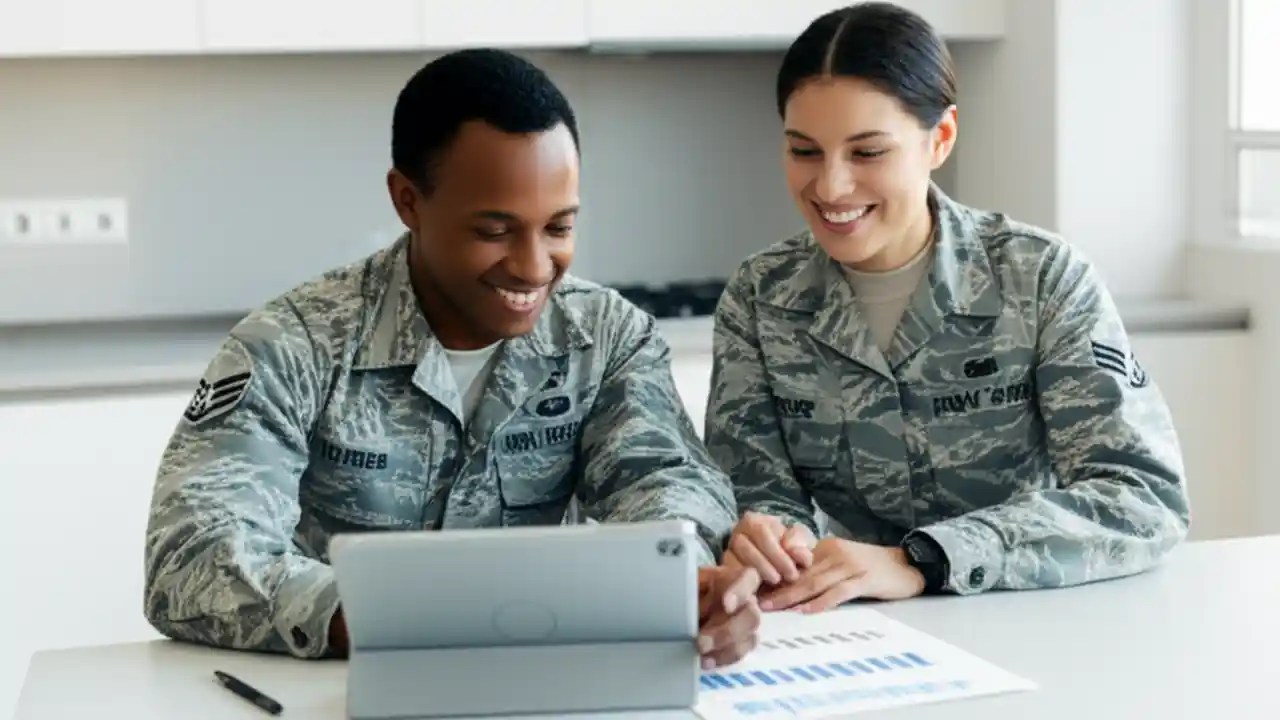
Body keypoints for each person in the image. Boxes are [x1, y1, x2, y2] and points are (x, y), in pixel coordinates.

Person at [144, 48, 760, 669]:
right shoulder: (293, 346)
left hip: (547, 685)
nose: (533, 266)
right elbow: (190, 554)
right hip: (340, 692)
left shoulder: (607, 338)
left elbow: (669, 483)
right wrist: (382, 615)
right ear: (408, 201)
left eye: (559, 228)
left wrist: (684, 578)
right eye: (494, 232)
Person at [705, 1, 1190, 613]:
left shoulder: (1040, 279)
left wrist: (923, 559)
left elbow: (1143, 498)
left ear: (941, 139)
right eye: (805, 151)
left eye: (868, 152)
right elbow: (754, 492)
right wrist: (770, 539)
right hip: (842, 632)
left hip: (1030, 623)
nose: (830, 186)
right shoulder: (759, 297)